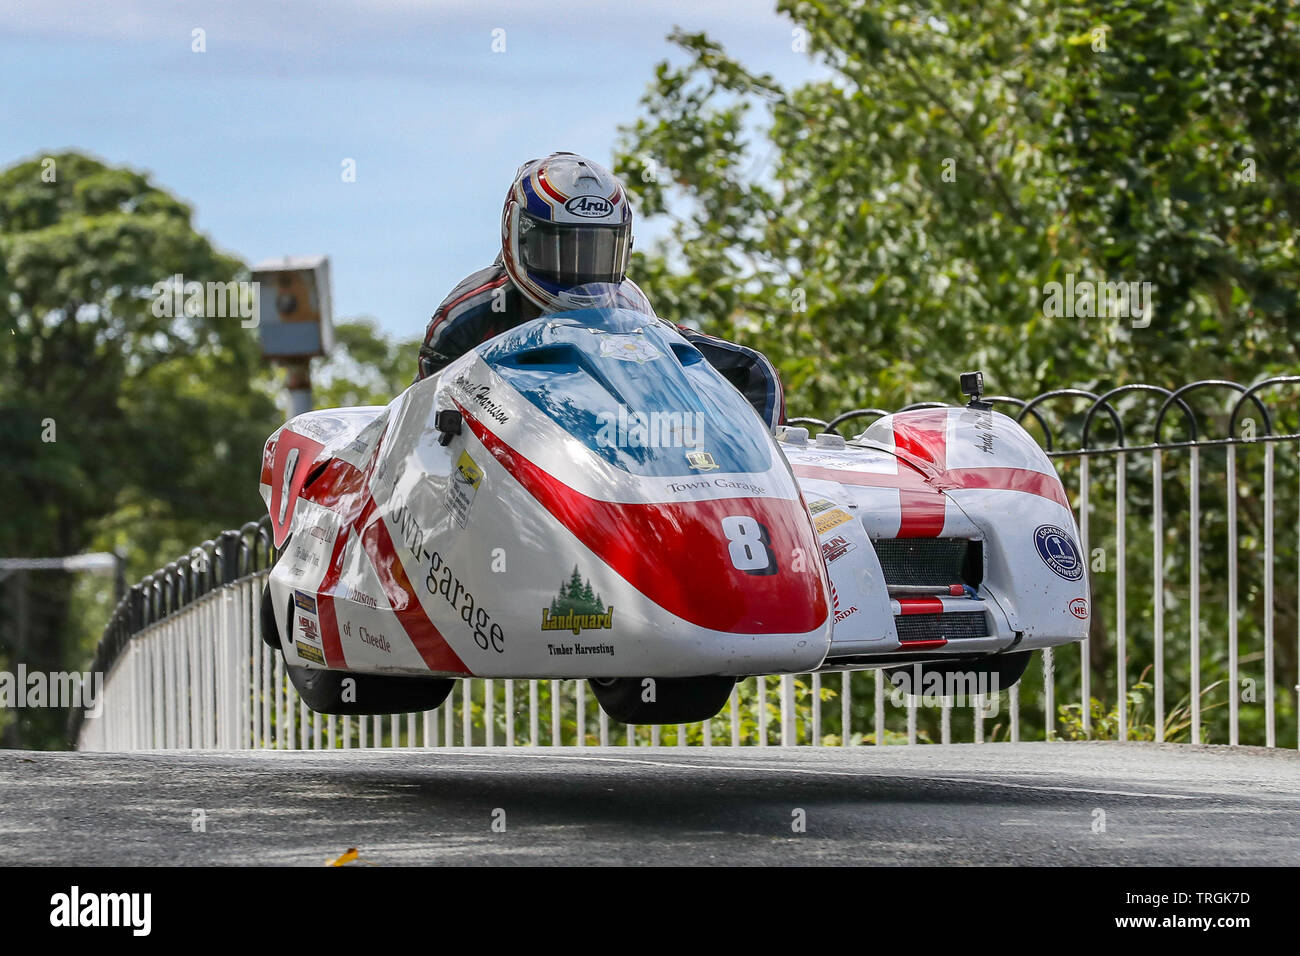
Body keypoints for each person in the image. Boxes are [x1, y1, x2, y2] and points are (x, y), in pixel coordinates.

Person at [416, 152, 784, 427]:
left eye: (597, 250)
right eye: (562, 248)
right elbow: (421, 427)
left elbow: (753, 369)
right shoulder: (465, 316)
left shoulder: (630, 310)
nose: (581, 269)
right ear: (520, 238)